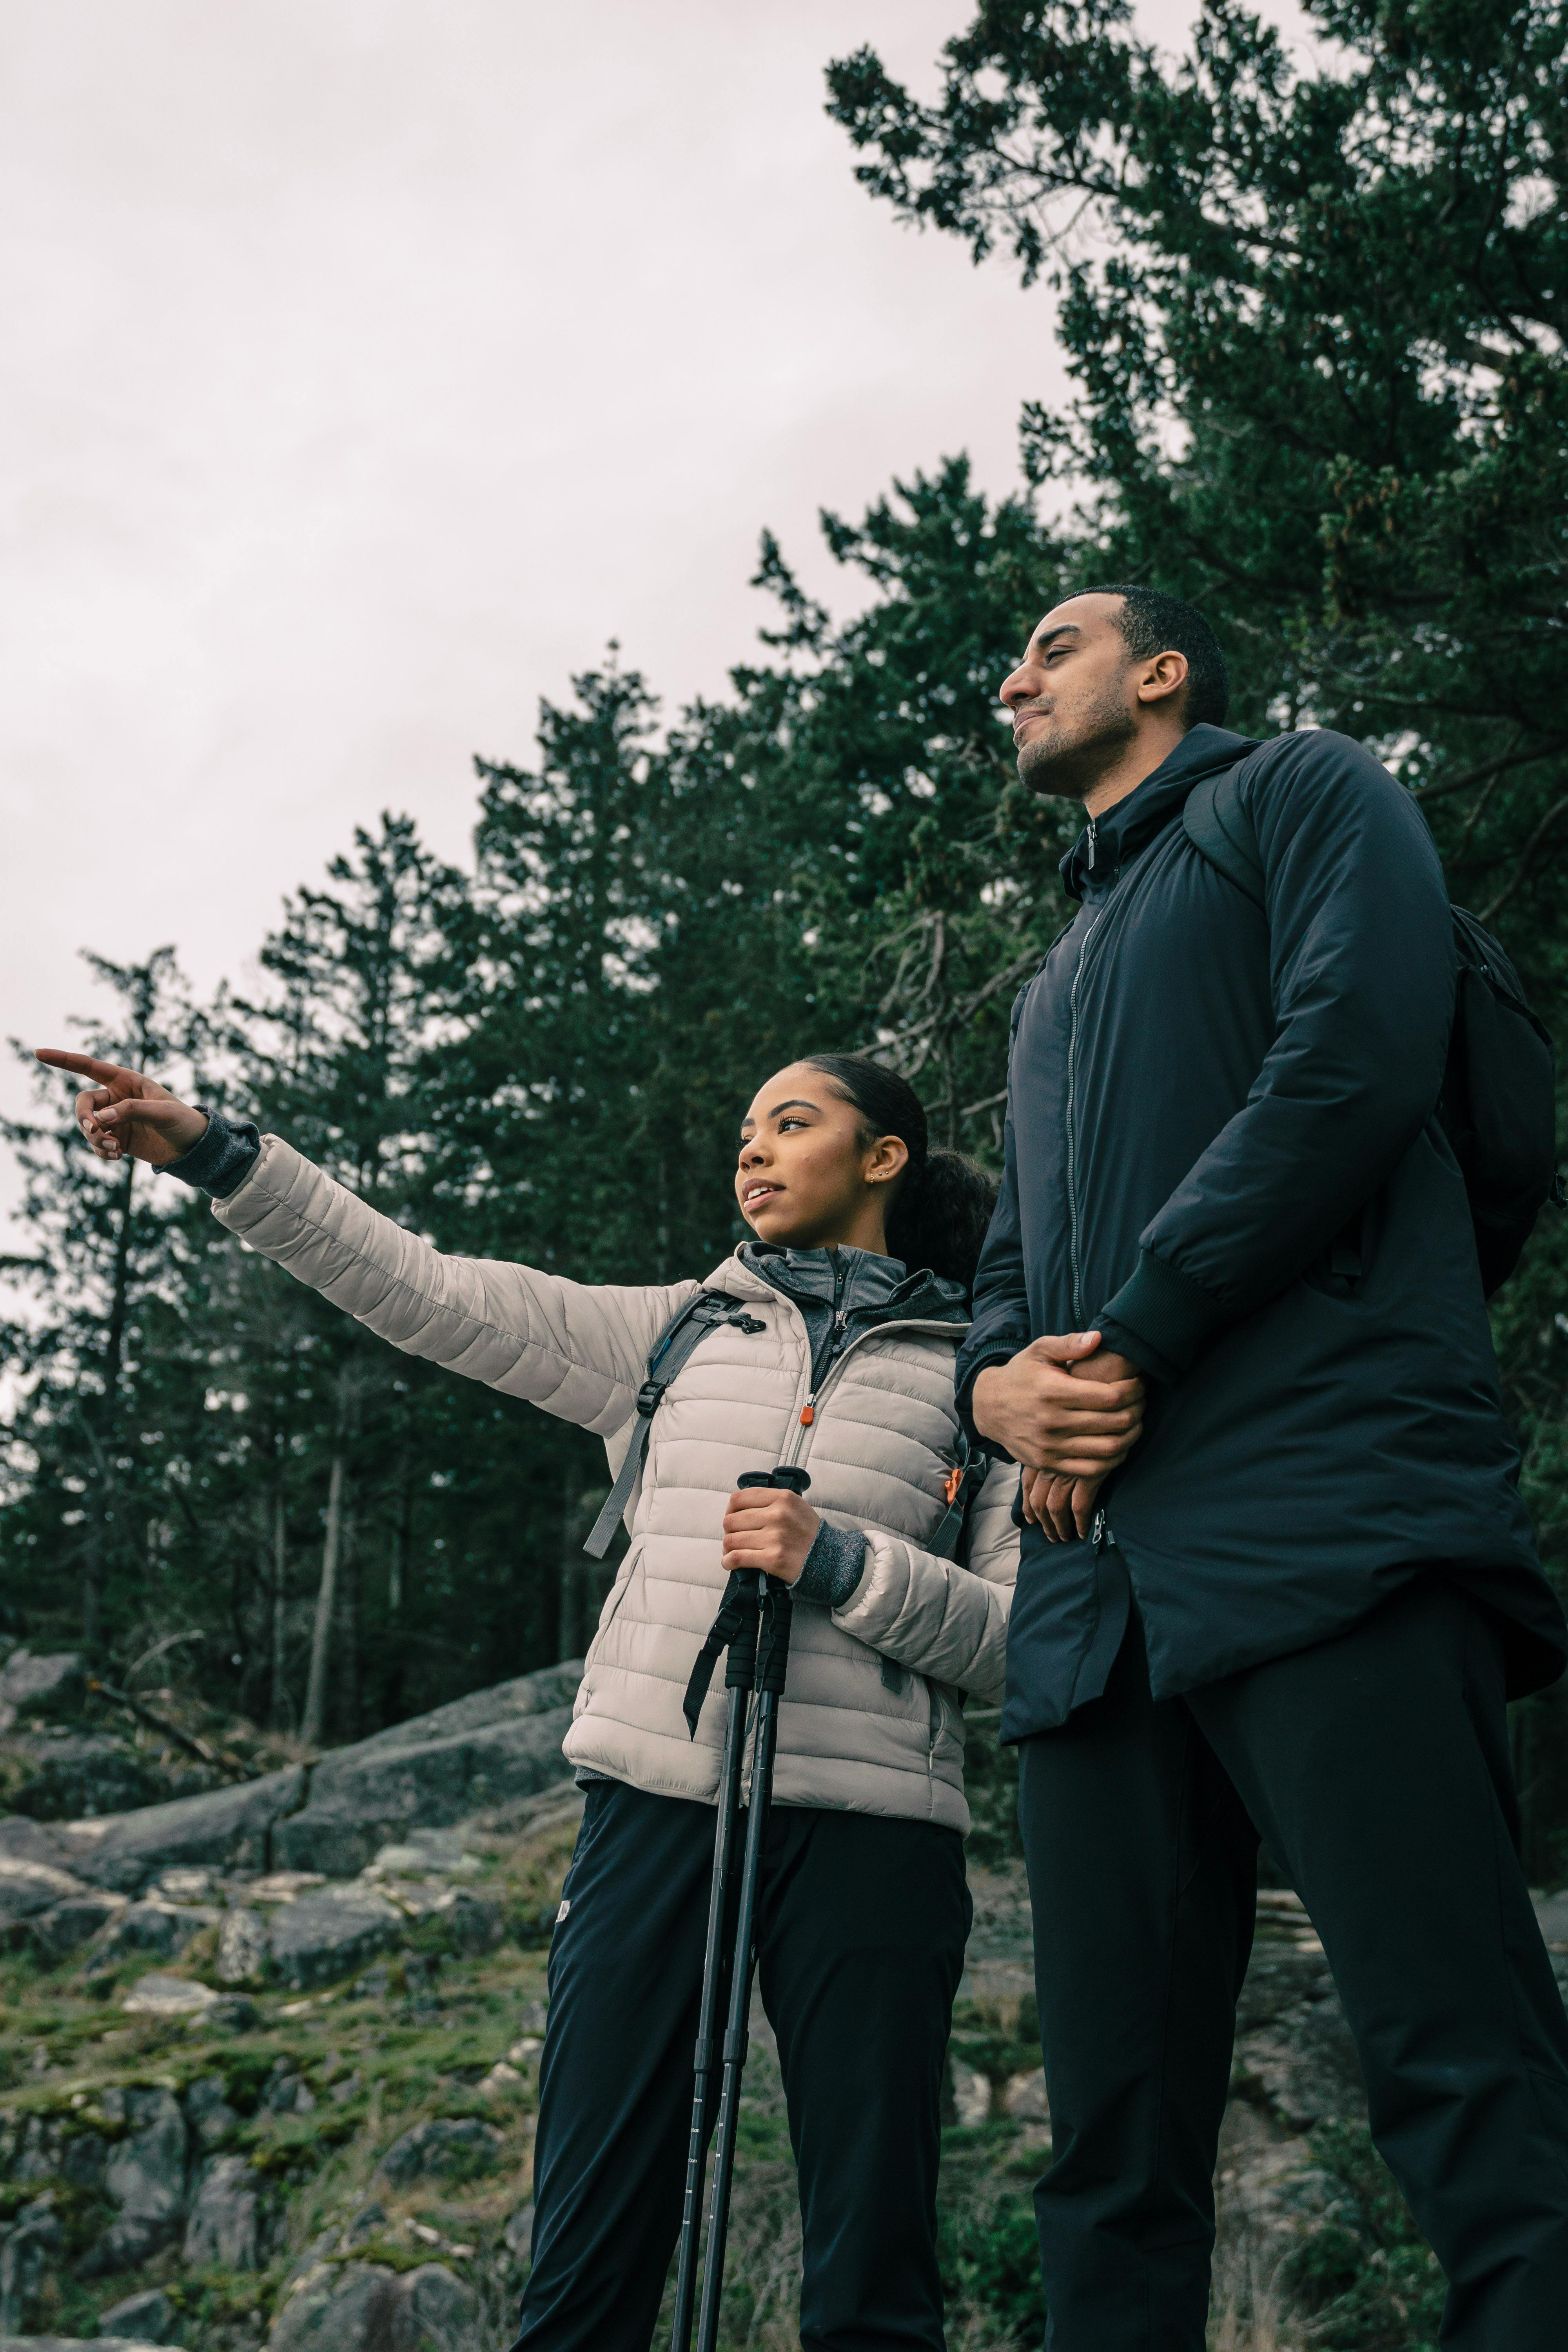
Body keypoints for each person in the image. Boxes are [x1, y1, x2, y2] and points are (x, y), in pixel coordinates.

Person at [39, 1042, 1027, 2352]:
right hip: (653, 1813)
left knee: (876, 2276)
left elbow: (1021, 1647)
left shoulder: (986, 1381)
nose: (752, 1148)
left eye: (790, 1122)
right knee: (587, 2260)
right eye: (743, 1128)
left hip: (877, 1842)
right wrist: (217, 1154)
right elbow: (424, 1287)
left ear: (883, 1157)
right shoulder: (672, 1334)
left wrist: (840, 1561)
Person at [956, 584, 1568, 2350]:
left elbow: (1354, 1057)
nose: (1015, 677)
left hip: (1330, 1519)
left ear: (1161, 671)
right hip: (1091, 1613)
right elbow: (1013, 1269)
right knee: (1110, 2157)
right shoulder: (1055, 976)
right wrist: (1004, 1390)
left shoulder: (1302, 793)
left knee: (1462, 2073)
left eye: (1051, 646)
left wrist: (1138, 1333)